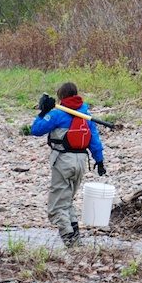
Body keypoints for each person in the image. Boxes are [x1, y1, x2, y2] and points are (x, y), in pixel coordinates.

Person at [30, 82, 106, 246]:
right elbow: (94, 140)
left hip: (64, 161)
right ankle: (76, 242)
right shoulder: (85, 114)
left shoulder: (57, 114)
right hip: (81, 162)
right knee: (67, 202)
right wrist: (99, 161)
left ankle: (70, 242)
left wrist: (43, 112)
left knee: (57, 207)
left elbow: (36, 130)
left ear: (61, 97)